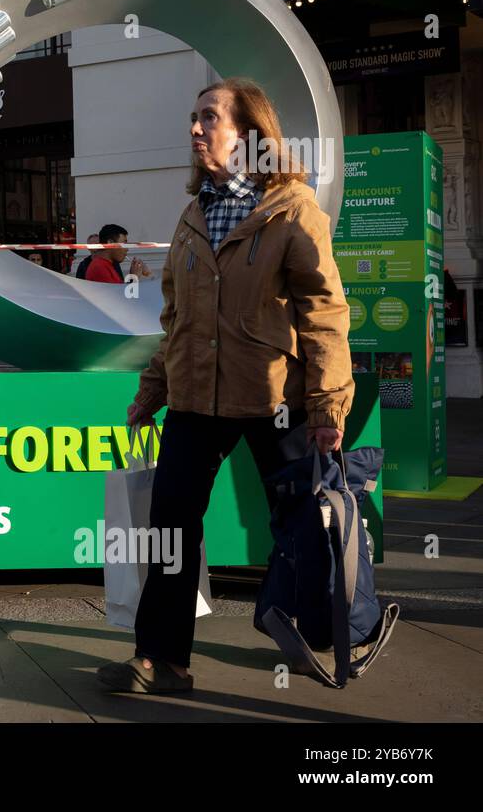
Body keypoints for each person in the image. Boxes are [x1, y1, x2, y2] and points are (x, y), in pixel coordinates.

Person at [96, 77, 353, 695]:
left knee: (303, 522)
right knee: (170, 525)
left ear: (249, 135)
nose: (195, 129)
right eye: (193, 118)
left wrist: (325, 405)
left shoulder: (292, 210)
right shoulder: (192, 215)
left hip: (275, 400)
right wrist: (152, 390)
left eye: (209, 118)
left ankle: (333, 630)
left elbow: (324, 312)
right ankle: (161, 659)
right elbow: (176, 321)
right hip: (193, 401)